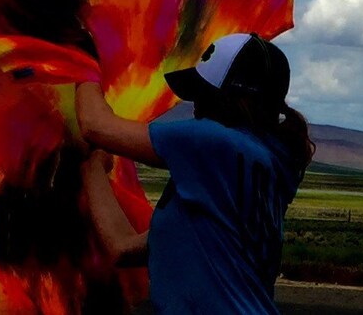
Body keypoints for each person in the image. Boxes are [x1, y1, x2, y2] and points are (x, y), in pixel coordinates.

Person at [75, 33, 314, 314]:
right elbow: (122, 248)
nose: (195, 109)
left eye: (204, 96)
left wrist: (82, 58)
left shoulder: (217, 144)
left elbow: (94, 125)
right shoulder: (263, 166)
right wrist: (92, 166)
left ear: (233, 100)